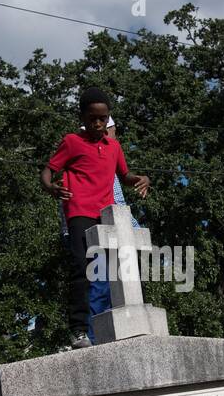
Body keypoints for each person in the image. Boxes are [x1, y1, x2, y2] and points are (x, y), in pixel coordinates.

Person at [43, 87, 150, 348]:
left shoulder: (113, 146)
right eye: (93, 118)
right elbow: (48, 170)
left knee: (116, 268)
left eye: (103, 118)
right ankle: (79, 330)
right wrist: (50, 187)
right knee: (83, 267)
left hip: (108, 214)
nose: (98, 123)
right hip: (80, 211)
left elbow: (125, 176)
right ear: (83, 116)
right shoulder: (72, 142)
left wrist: (142, 178)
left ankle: (125, 321)